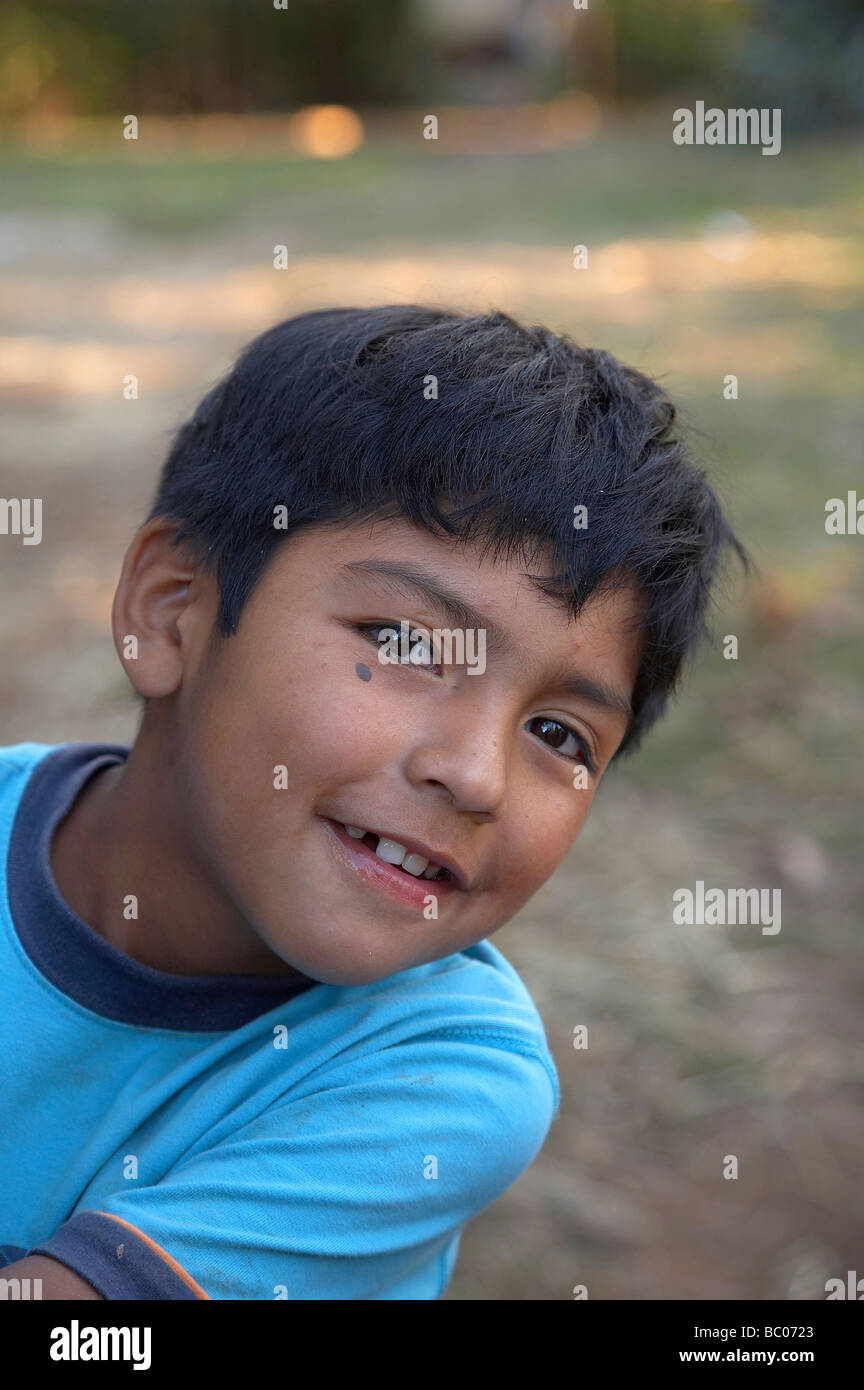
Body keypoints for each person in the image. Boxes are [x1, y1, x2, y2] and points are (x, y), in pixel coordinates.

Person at [0, 305, 745, 1299]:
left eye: (560, 735)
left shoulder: (443, 1079)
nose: (475, 775)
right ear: (172, 609)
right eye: (403, 643)